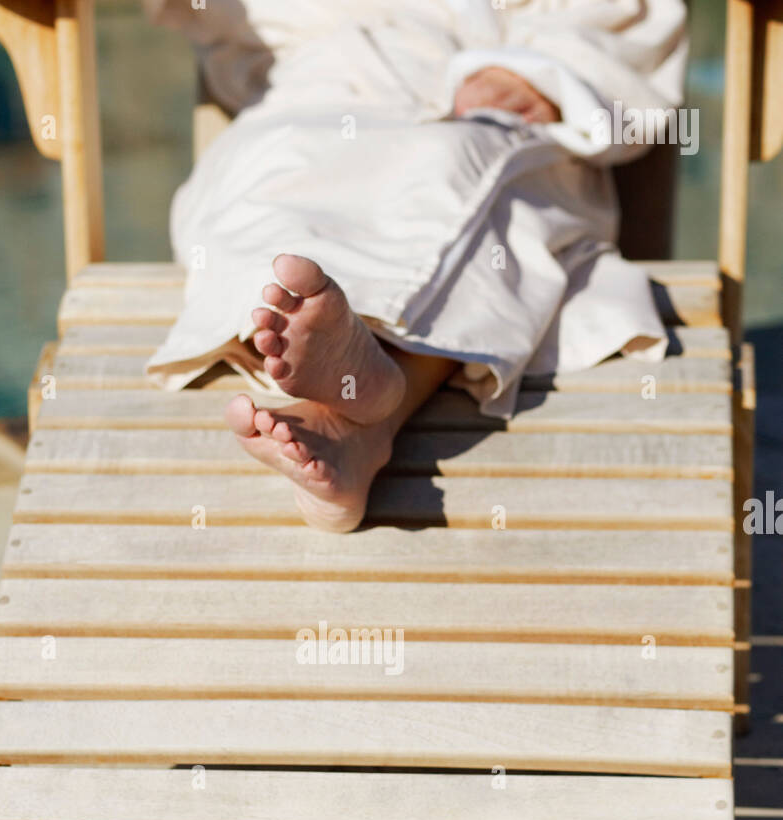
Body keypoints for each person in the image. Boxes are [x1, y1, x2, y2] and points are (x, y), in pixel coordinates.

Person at [144, 0, 688, 531]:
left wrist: (533, 77)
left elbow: (620, 14)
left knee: (458, 181)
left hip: (491, 91)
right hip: (320, 87)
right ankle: (362, 423)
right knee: (270, 194)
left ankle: (361, 399)